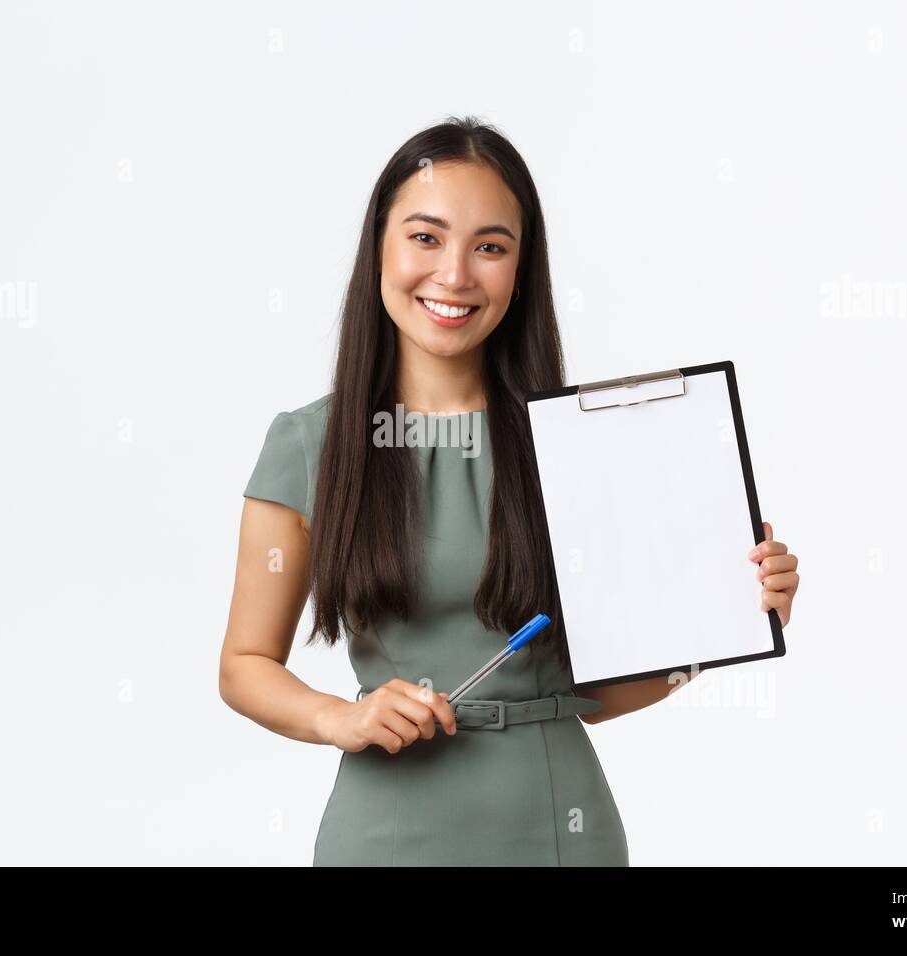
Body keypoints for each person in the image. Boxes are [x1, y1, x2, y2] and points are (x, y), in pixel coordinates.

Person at [219, 116, 801, 866]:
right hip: (383, 832)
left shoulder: (580, 444)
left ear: (521, 270)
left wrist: (722, 625)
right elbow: (244, 664)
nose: (455, 275)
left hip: (559, 827)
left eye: (490, 247)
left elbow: (594, 696)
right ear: (378, 248)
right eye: (425, 237)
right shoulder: (309, 445)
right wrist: (339, 717)